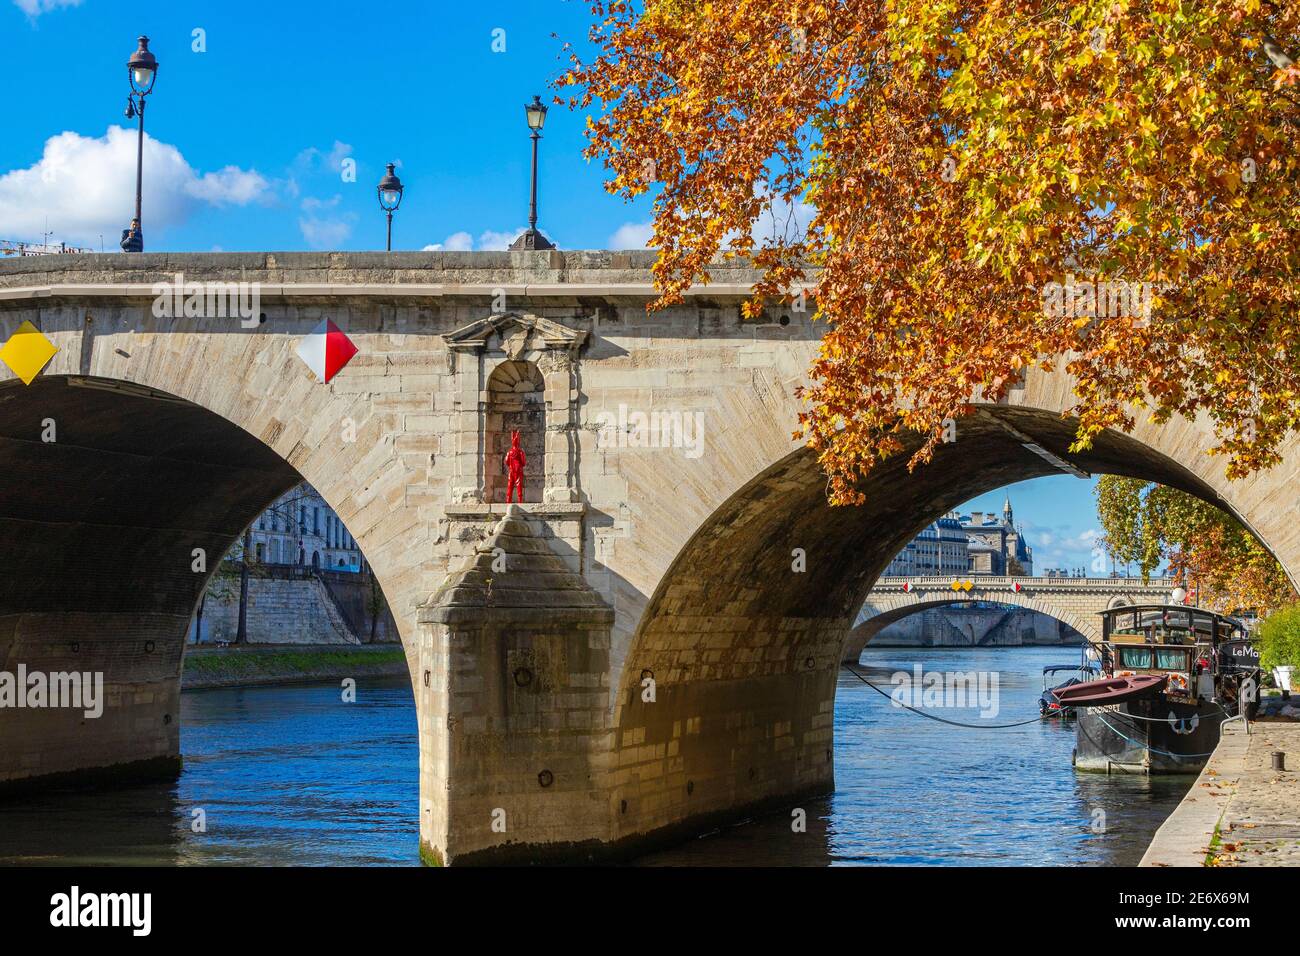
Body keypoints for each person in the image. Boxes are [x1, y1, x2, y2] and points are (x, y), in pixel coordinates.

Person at [505, 430, 526, 503]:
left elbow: (506, 461)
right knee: (519, 486)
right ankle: (520, 501)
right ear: (518, 442)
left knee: (510, 486)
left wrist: (511, 465)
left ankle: (508, 501)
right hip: (518, 471)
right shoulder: (520, 452)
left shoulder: (509, 452)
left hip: (511, 471)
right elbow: (523, 463)